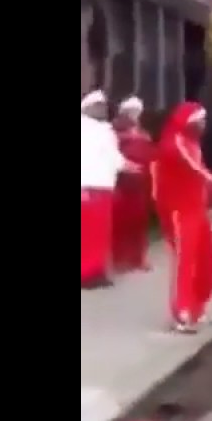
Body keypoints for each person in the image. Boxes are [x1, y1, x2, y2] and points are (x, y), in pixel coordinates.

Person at [152, 102, 212, 333]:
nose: (204, 124)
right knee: (185, 261)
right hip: (180, 211)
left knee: (208, 258)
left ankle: (198, 307)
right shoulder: (174, 142)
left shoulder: (193, 143)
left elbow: (198, 175)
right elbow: (196, 170)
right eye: (201, 120)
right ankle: (182, 313)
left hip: (197, 210)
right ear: (189, 121)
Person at [82, 90, 136, 289]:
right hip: (90, 186)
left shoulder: (104, 130)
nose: (102, 109)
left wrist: (126, 165)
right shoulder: (93, 130)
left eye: (103, 106)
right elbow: (114, 158)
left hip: (101, 186)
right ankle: (87, 273)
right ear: (87, 108)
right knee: (90, 231)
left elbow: (113, 158)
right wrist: (127, 165)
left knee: (99, 232)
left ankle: (95, 271)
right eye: (97, 106)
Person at [112, 96, 155, 273]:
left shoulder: (142, 132)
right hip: (121, 182)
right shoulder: (114, 131)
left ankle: (139, 258)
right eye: (132, 111)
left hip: (141, 181)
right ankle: (119, 258)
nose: (136, 114)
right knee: (121, 221)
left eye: (138, 111)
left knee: (139, 221)